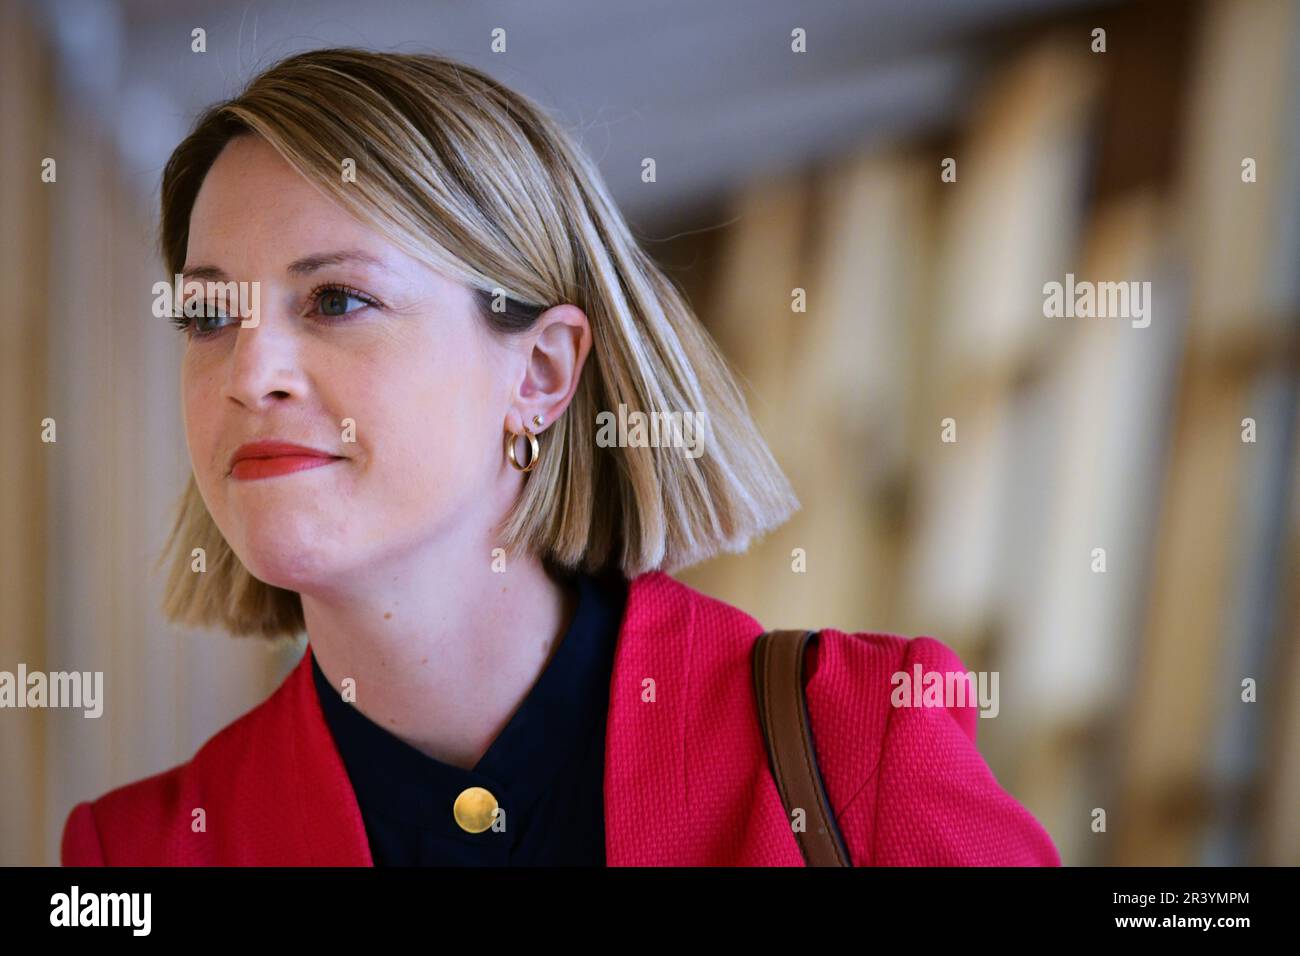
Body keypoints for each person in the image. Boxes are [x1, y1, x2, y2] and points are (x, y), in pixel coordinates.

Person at [60, 48, 1059, 866]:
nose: (248, 373)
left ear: (539, 372)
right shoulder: (134, 854)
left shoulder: (858, 747)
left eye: (335, 300)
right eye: (208, 315)